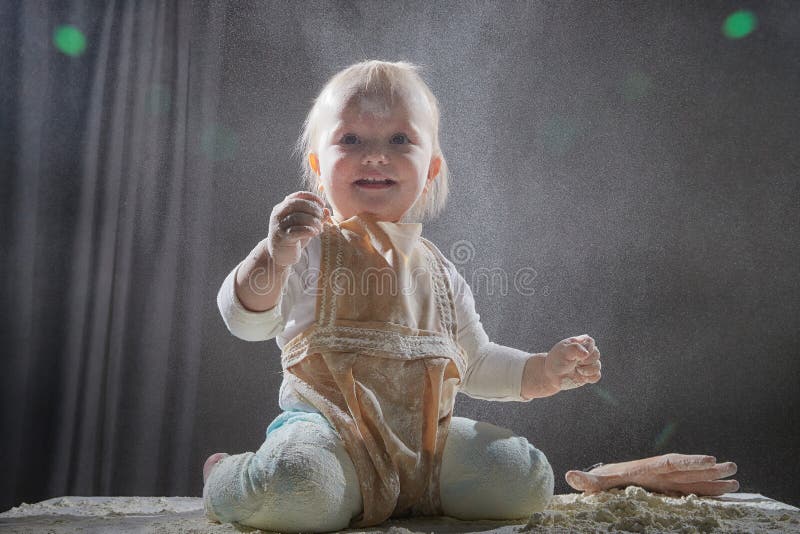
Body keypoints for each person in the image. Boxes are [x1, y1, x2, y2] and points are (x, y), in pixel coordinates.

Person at [202, 60, 738, 533]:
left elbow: (475, 361)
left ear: (430, 169)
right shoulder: (305, 247)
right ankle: (227, 476)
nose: (375, 157)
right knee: (300, 486)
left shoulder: (439, 270)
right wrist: (272, 256)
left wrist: (542, 370)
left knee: (523, 478)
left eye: (398, 140)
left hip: (425, 446)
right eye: (351, 140)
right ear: (317, 169)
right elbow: (244, 318)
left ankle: (403, 496)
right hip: (331, 437)